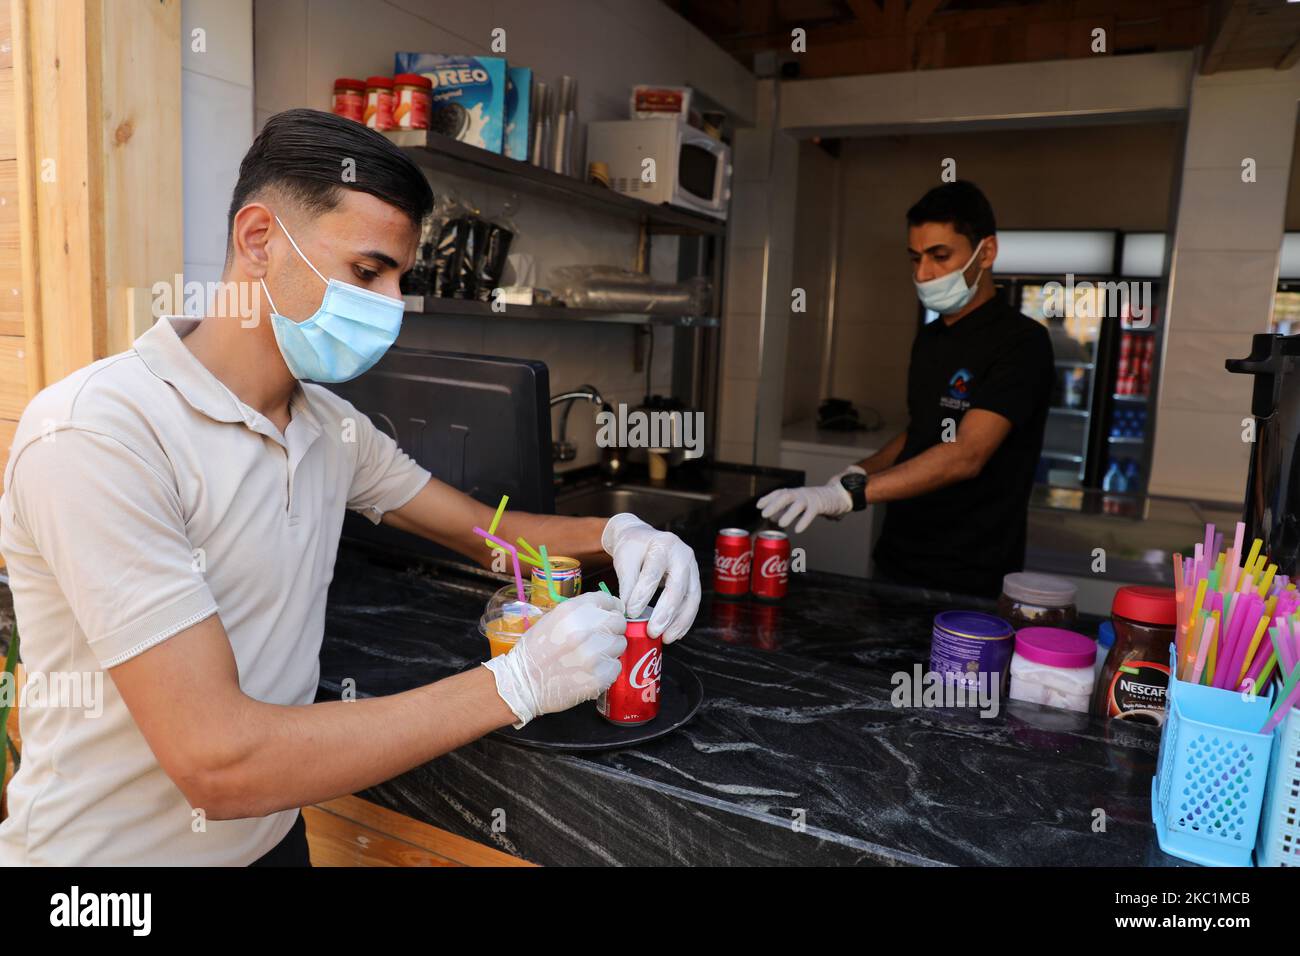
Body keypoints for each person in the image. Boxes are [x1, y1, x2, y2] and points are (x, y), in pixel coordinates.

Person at [0, 109, 700, 866]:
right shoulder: (98, 434)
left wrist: (618, 535)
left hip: (271, 837)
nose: (392, 305)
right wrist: (516, 684)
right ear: (259, 240)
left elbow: (483, 531)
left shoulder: (331, 426)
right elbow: (219, 762)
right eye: (368, 273)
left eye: (400, 278)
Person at [757, 180, 1054, 598]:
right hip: (898, 557)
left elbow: (967, 454)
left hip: (971, 573)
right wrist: (861, 471)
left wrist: (849, 497)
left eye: (940, 256)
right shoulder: (931, 338)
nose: (922, 273)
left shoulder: (1022, 343)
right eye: (915, 258)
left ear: (985, 252)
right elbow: (923, 431)